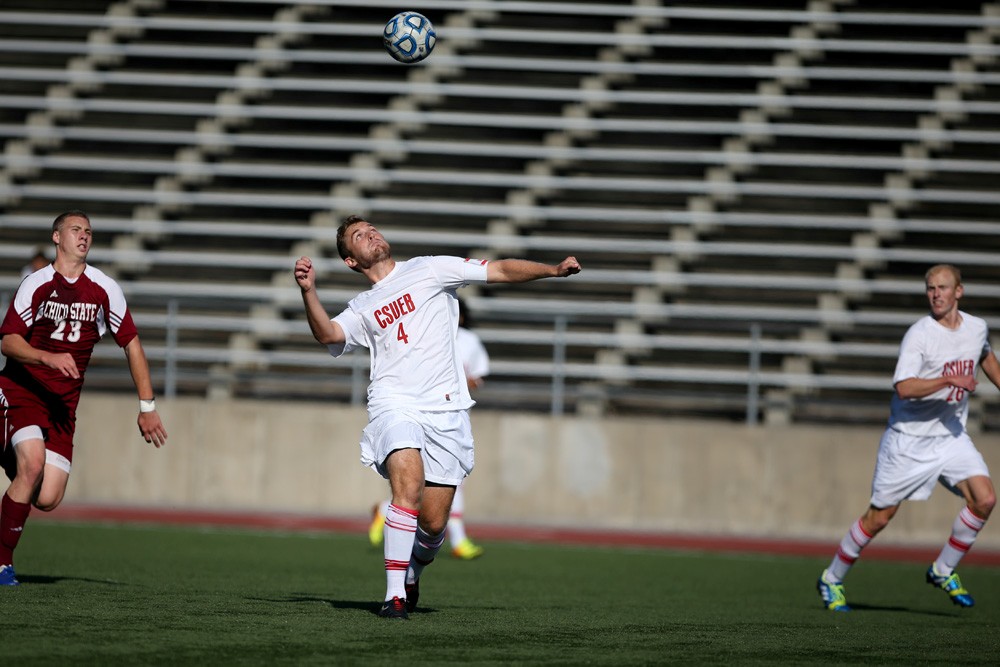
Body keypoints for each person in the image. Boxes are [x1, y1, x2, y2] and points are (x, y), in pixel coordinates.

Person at [295, 214, 580, 619]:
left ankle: (413, 571)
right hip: (395, 404)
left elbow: (496, 269)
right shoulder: (361, 307)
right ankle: (394, 596)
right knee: (406, 490)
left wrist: (551, 270)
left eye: (372, 228)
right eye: (358, 235)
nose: (371, 234)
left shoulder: (430, 268)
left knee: (432, 525)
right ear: (350, 261)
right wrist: (308, 292)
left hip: (446, 410)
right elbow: (328, 335)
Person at [817, 264, 998, 611]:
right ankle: (831, 578)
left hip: (949, 435)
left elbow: (986, 356)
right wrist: (948, 381)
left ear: (959, 291)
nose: (936, 294)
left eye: (943, 287)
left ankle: (943, 570)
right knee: (879, 518)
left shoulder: (976, 328)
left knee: (985, 499)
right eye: (930, 288)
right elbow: (903, 387)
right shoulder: (920, 334)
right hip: (908, 441)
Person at [1, 210, 168, 586]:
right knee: (31, 463)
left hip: (63, 407)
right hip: (23, 391)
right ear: (57, 237)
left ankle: (10, 453)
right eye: (76, 229)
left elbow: (132, 344)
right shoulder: (37, 283)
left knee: (47, 497)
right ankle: (2, 564)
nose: (84, 236)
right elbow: (9, 341)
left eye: (89, 231)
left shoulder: (104, 288)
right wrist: (46, 356)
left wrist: (147, 407)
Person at [368, 297, 490, 559]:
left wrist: (464, 381)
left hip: (454, 418)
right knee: (428, 481)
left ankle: (385, 509)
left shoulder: (468, 341)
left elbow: (479, 377)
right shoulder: (422, 332)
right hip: (421, 416)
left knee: (441, 483)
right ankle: (458, 541)